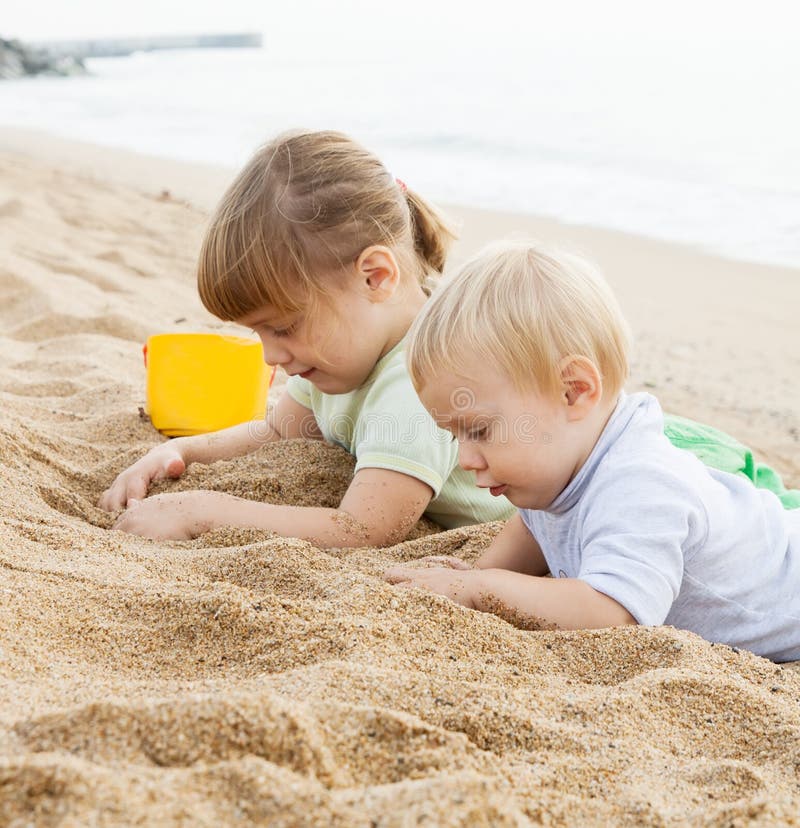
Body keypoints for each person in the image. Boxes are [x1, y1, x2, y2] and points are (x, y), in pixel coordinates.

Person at [385, 241, 800, 662]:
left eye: (478, 429)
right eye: (456, 437)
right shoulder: (562, 462)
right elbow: (535, 526)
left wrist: (480, 590)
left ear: (573, 391)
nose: (465, 459)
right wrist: (484, 572)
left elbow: (613, 613)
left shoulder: (641, 484)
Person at [98, 130, 515, 546]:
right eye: (260, 332)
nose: (271, 355)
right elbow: (278, 432)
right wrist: (185, 452)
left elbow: (364, 530)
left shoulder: (418, 382)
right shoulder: (343, 352)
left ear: (375, 277)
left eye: (283, 327)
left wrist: (202, 512)